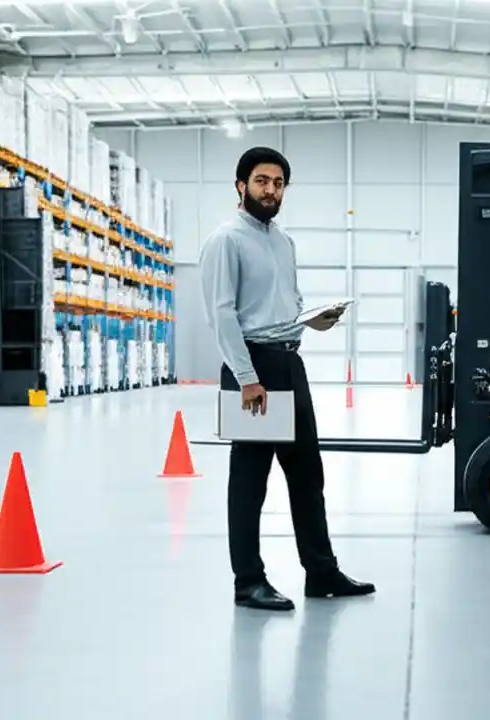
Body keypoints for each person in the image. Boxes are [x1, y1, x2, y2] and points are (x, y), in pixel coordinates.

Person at [199, 146, 374, 611]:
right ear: (241, 185)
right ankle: (248, 582)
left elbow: (287, 307)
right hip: (252, 367)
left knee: (307, 475)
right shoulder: (226, 240)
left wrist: (315, 320)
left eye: (277, 183)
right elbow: (222, 315)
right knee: (250, 481)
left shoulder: (283, 241)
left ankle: (321, 572)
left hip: (289, 364)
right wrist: (246, 377)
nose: (270, 190)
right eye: (261, 181)